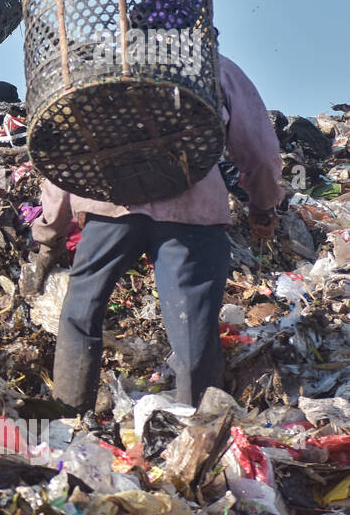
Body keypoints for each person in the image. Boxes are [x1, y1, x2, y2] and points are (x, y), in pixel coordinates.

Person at [22, 55, 284, 413]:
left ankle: (68, 415)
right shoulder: (207, 62)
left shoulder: (102, 65)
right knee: (192, 324)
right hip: (191, 209)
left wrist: (49, 234)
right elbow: (259, 148)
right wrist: (262, 207)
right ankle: (197, 426)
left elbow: (66, 156)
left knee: (80, 310)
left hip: (110, 206)